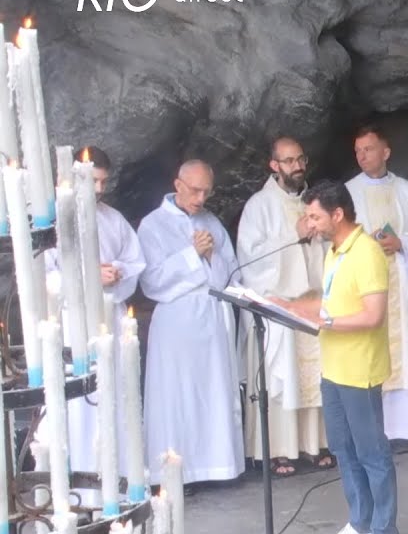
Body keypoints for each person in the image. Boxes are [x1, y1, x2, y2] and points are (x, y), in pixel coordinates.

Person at [279, 180, 400, 534]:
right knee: (344, 450)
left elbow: (372, 315)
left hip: (360, 369)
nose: (309, 224)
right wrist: (291, 305)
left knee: (371, 451)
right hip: (334, 368)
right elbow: (330, 300)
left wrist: (323, 319)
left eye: (315, 216)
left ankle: (385, 533)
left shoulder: (366, 252)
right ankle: (360, 522)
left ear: (337, 214)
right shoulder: (335, 251)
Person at [38, 146, 146, 496]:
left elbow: (134, 261)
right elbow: (41, 277)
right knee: (75, 405)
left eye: (103, 182)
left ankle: (115, 479)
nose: (99, 189)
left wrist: (118, 273)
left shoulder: (112, 219)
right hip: (71, 324)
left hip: (109, 320)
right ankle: (76, 488)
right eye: (93, 181)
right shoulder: (48, 221)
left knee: (111, 396)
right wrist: (88, 277)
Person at [139, 159, 243, 487]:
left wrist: (211, 257)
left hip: (211, 317)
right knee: (176, 395)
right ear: (178, 184)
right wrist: (191, 255)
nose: (200, 198)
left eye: (206, 192)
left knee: (212, 390)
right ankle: (173, 472)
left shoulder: (211, 221)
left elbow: (233, 272)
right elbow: (151, 281)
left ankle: (217, 466)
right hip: (176, 322)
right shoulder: (152, 225)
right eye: (195, 190)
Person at [236, 137, 330, 477]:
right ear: (273, 166)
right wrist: (294, 235)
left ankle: (315, 444)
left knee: (315, 375)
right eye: (288, 161)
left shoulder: (316, 201)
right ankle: (276, 451)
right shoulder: (258, 206)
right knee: (283, 376)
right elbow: (251, 259)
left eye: (300, 159)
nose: (296, 166)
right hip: (280, 306)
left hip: (313, 303)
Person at [345, 124, 408, 441]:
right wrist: (364, 244)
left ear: (386, 151)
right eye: (358, 151)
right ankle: (371, 431)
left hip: (402, 285)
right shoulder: (348, 192)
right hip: (366, 289)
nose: (362, 156)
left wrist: (403, 244)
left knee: (404, 352)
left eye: (368, 149)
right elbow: (336, 238)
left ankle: (404, 430)